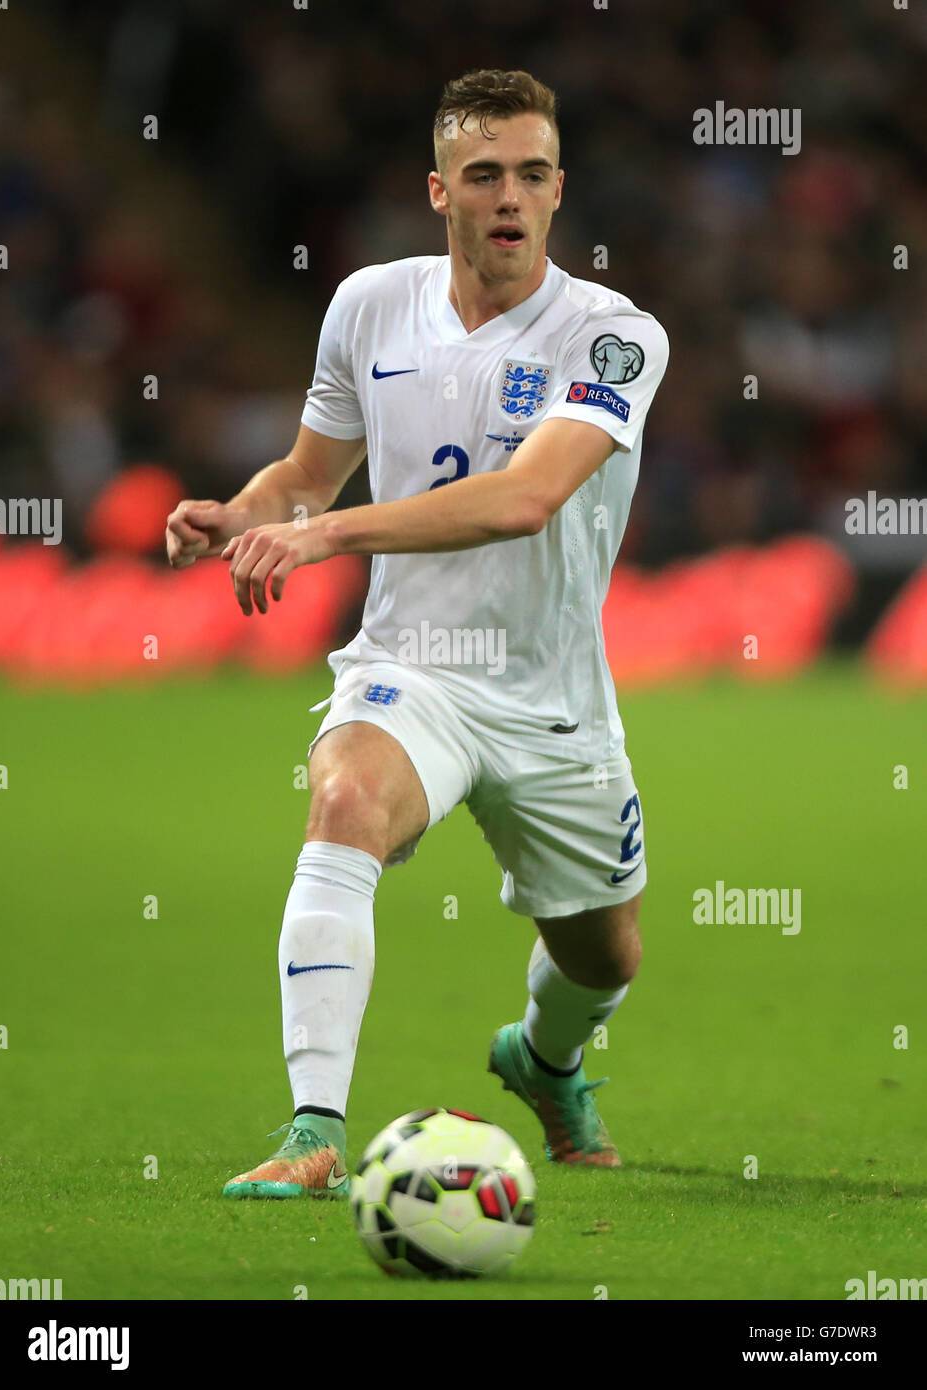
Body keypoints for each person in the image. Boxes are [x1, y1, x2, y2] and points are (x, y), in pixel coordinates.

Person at [165, 68, 669, 1199]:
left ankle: (544, 1060)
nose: (509, 197)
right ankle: (311, 1131)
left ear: (557, 192)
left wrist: (321, 535)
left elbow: (521, 499)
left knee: (603, 953)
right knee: (341, 799)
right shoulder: (367, 304)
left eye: (532, 175)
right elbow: (305, 473)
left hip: (552, 700)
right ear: (437, 190)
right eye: (484, 174)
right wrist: (244, 513)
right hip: (411, 672)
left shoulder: (614, 338)